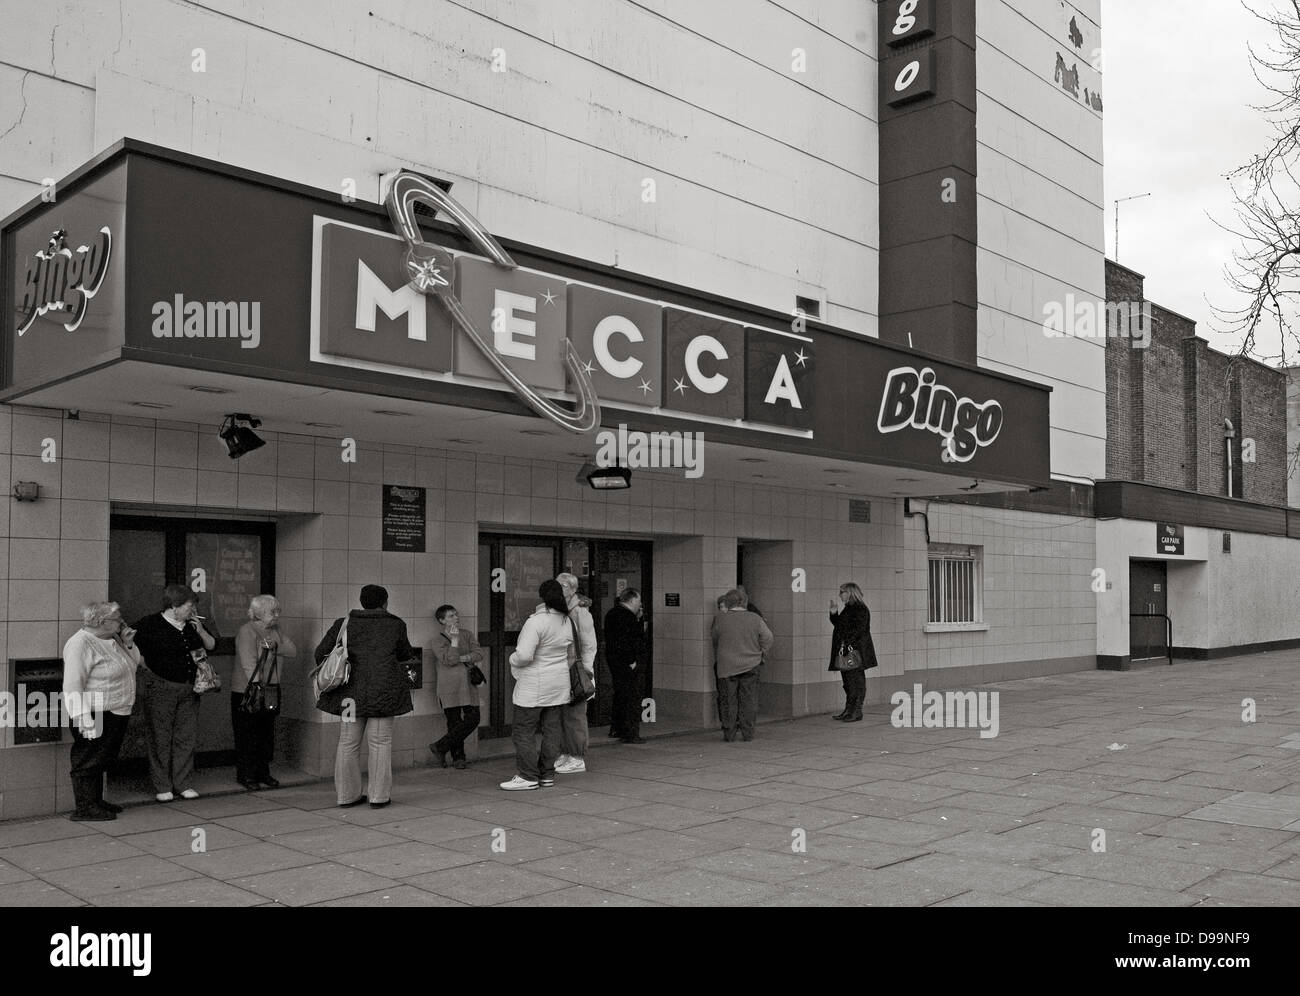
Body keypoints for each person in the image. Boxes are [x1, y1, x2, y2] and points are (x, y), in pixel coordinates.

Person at [315, 584, 415, 809]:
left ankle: (346, 796)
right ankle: (379, 797)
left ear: (361, 602)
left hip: (349, 695)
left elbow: (320, 653)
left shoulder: (344, 623)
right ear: (385, 603)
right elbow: (405, 655)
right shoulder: (395, 625)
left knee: (347, 742)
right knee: (380, 742)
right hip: (383, 694)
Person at [133, 585, 216, 802]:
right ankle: (162, 785)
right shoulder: (150, 624)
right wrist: (144, 665)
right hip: (161, 686)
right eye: (189, 605)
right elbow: (128, 643)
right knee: (160, 737)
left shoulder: (192, 625)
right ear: (174, 605)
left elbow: (211, 645)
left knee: (186, 737)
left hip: (190, 687)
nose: (193, 609)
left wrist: (200, 630)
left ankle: (183, 782)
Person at [62, 602, 140, 821]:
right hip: (95, 711)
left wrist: (128, 643)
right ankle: (85, 807)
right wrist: (82, 718)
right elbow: (73, 684)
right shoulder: (80, 643)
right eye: (117, 619)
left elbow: (133, 665)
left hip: (116, 710)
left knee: (102, 757)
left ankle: (95, 800)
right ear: (101, 621)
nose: (122, 622)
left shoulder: (113, 639)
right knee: (88, 758)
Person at [501, 580, 574, 791]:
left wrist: (512, 659)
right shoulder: (567, 621)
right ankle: (546, 774)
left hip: (534, 685)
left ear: (542, 597)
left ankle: (528, 776)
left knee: (523, 730)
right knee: (552, 731)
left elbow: (524, 655)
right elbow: (571, 655)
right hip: (559, 684)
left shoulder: (536, 622)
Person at [233, 594, 297, 790]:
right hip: (248, 691)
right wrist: (257, 688)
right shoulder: (247, 631)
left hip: (271, 689)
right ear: (259, 613)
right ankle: (246, 774)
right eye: (273, 612)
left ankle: (263, 772)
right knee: (247, 733)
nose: (277, 615)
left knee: (265, 733)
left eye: (278, 611)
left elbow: (292, 650)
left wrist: (275, 646)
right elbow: (248, 662)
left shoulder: (276, 630)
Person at [712, 588, 773, 742]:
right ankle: (748, 733)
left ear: (728, 603)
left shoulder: (720, 619)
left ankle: (729, 733)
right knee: (749, 700)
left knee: (728, 700)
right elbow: (768, 637)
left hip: (726, 666)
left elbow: (715, 639)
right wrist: (761, 654)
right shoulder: (755, 618)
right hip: (751, 664)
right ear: (744, 601)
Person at [428, 604, 484, 770]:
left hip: (468, 684)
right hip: (448, 686)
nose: (456, 618)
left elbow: (479, 653)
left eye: (456, 614)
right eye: (451, 616)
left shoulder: (467, 634)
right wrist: (454, 641)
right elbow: (449, 660)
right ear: (442, 620)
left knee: (473, 718)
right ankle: (458, 757)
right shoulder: (437, 641)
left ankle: (440, 746)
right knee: (454, 721)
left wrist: (464, 657)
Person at [553, 572, 596, 775]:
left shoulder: (580, 612)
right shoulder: (560, 610)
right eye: (557, 585)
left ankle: (577, 756)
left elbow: (589, 644)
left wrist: (586, 670)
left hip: (576, 669)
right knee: (562, 713)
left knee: (576, 714)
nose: (560, 588)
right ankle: (566, 751)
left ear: (573, 589)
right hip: (562, 668)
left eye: (564, 585)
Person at [829, 582, 879, 722]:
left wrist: (847, 643)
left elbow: (859, 630)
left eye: (842, 592)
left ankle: (856, 710)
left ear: (850, 593)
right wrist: (834, 613)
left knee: (856, 681)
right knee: (848, 681)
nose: (840, 595)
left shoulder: (860, 609)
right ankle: (849, 709)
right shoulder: (849, 608)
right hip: (847, 650)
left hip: (855, 651)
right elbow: (840, 626)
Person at [604, 587, 646, 743]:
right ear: (633, 600)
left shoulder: (611, 613)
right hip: (627, 663)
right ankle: (630, 733)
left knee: (620, 694)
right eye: (639, 601)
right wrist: (632, 662)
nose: (640, 605)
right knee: (632, 697)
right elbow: (629, 640)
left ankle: (617, 728)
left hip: (614, 661)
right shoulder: (627, 617)